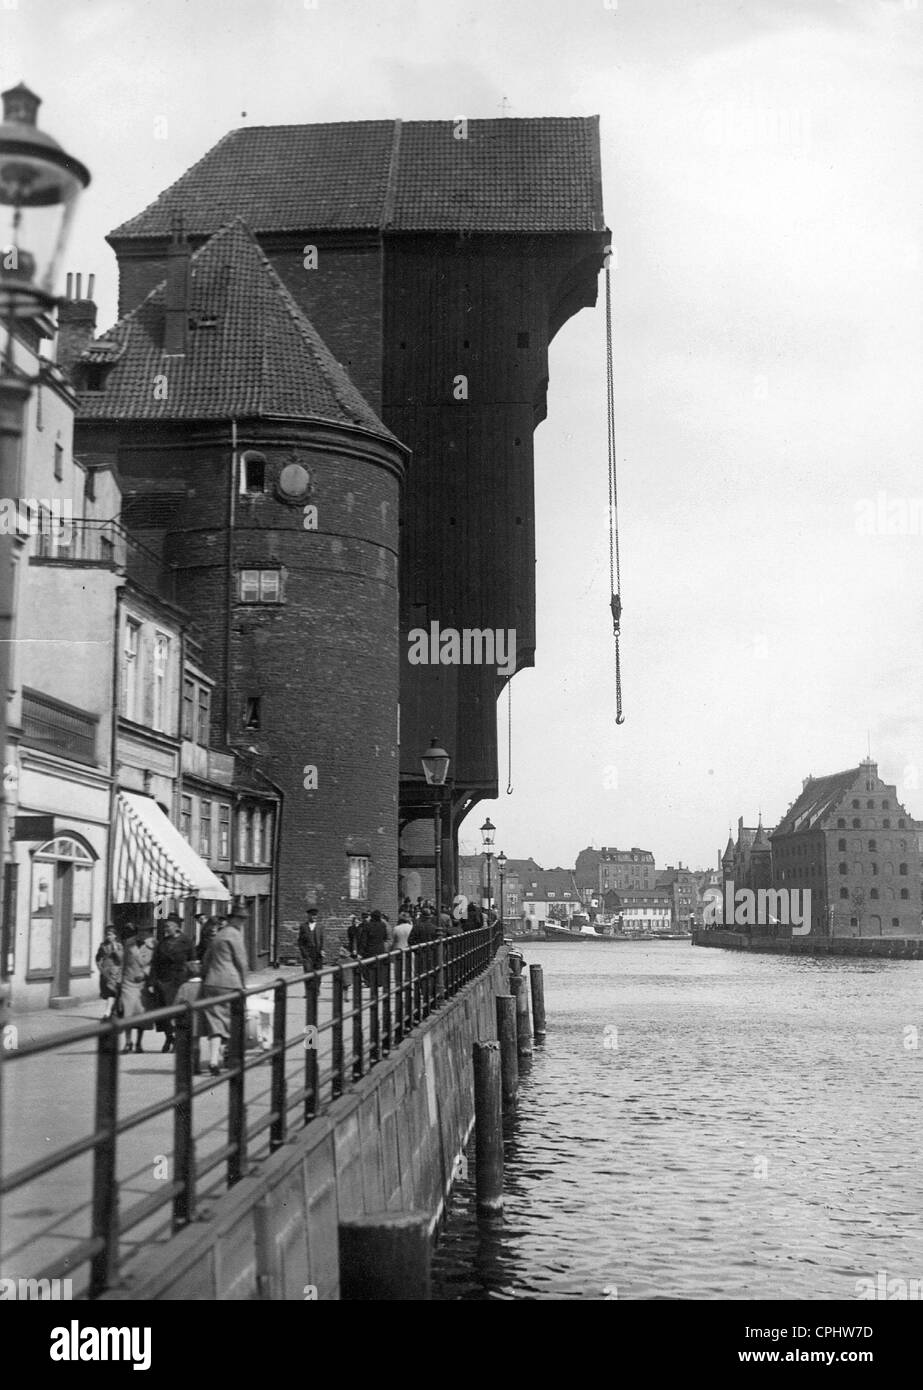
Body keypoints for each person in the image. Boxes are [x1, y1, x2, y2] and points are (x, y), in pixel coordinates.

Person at [201, 908, 249, 1076]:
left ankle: (214, 1060)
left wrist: (205, 977)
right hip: (230, 983)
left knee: (215, 1023)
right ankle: (230, 1058)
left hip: (211, 982)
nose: (243, 922)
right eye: (241, 919)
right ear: (234, 919)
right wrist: (244, 984)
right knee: (233, 1022)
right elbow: (241, 962)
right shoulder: (234, 935)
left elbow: (206, 960)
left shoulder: (219, 935)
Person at [150, 913, 194, 1053]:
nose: (166, 928)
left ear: (176, 927)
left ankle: (177, 1039)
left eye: (168, 925)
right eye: (165, 925)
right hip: (163, 981)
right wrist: (152, 982)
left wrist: (192, 979)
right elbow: (155, 963)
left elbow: (193, 962)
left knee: (178, 1013)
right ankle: (169, 1037)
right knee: (163, 1014)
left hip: (180, 982)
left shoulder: (186, 942)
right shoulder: (162, 942)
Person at [120, 924, 156, 1053]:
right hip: (128, 982)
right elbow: (123, 962)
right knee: (128, 1013)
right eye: (140, 930)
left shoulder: (153, 944)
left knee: (141, 1013)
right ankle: (128, 1042)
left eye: (145, 931)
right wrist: (120, 980)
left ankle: (139, 1043)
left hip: (143, 984)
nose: (142, 933)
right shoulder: (129, 943)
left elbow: (155, 963)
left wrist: (146, 973)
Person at [174, 956, 204, 1073]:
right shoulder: (203, 986)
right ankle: (196, 1066)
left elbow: (177, 1002)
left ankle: (188, 1066)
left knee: (188, 1043)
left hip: (187, 1019)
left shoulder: (184, 987)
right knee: (197, 1042)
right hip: (200, 1018)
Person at [95, 925, 123, 1020]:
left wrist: (116, 950)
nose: (108, 937)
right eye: (107, 935)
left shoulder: (119, 946)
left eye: (110, 935)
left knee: (112, 992)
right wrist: (101, 969)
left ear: (115, 936)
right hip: (105, 972)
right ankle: (112, 1011)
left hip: (116, 972)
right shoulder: (102, 946)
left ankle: (107, 1013)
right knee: (108, 993)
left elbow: (121, 960)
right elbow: (98, 959)